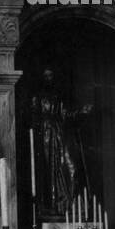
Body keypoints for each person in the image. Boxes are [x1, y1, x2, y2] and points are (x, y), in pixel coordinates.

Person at [30, 68, 92, 217]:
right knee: (48, 171)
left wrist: (82, 112)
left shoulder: (58, 97)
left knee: (70, 168)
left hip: (58, 135)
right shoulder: (37, 97)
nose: (49, 78)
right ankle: (52, 204)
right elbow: (32, 118)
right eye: (46, 75)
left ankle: (68, 204)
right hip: (44, 137)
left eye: (51, 75)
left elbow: (65, 115)